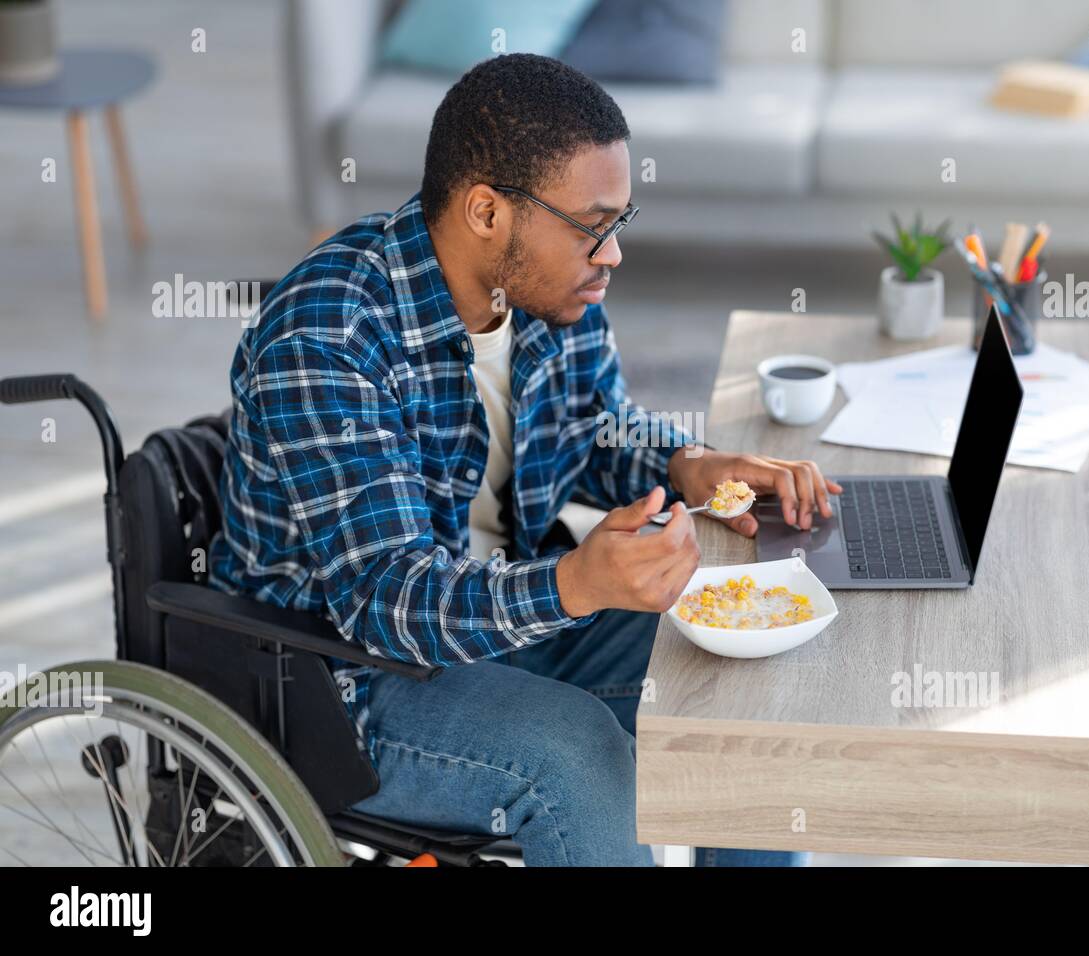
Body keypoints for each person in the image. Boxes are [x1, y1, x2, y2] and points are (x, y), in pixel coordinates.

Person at [208, 53, 841, 866]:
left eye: (621, 222)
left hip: (508, 618)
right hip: (346, 682)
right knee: (578, 761)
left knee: (744, 688)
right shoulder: (328, 334)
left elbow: (592, 427)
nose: (611, 254)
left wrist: (686, 465)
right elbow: (387, 599)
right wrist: (581, 582)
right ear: (486, 212)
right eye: (591, 225)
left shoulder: (549, 295)